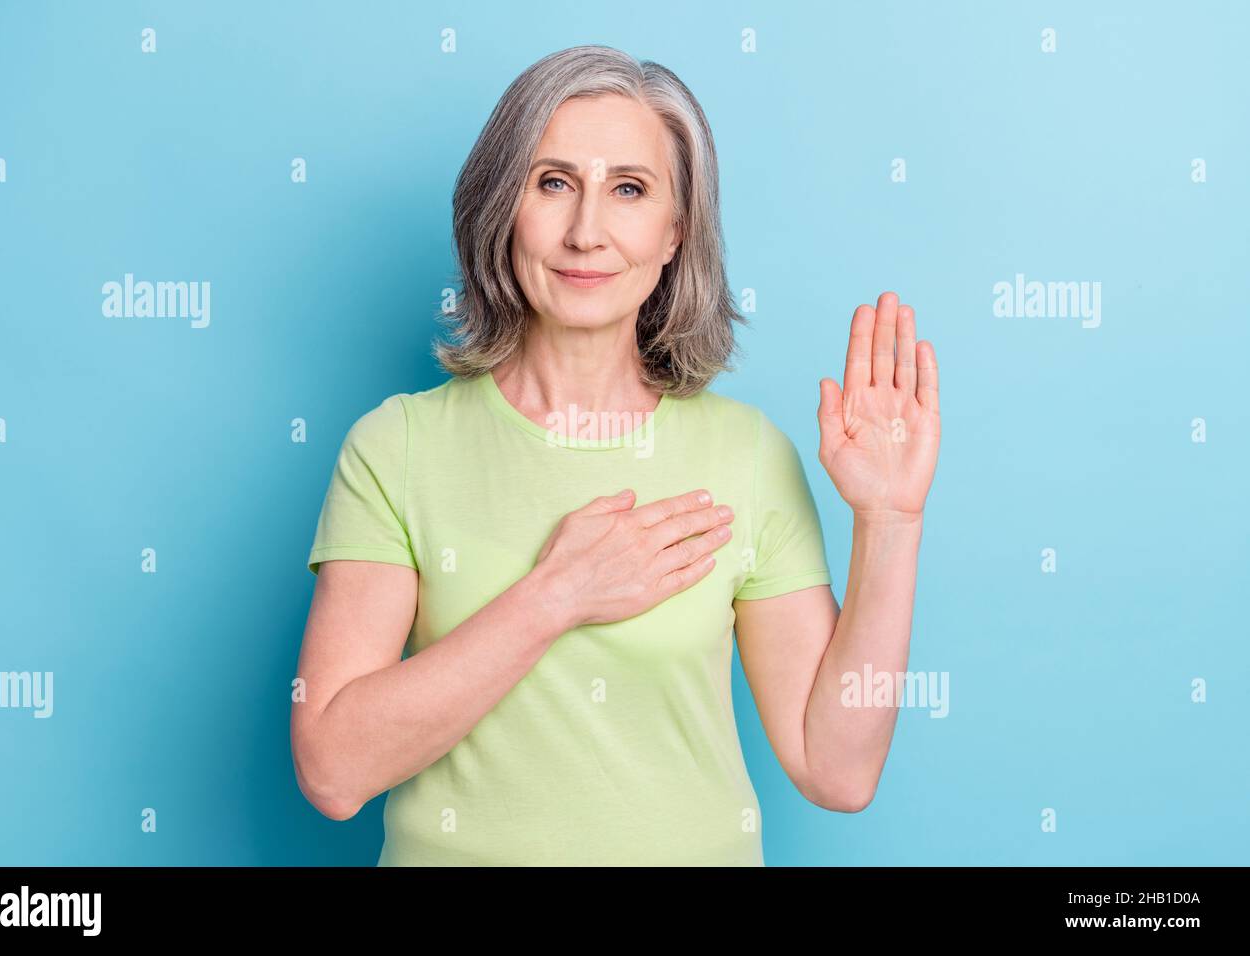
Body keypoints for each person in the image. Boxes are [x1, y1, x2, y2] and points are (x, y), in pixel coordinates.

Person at [290, 45, 940, 866]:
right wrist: (555, 596)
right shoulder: (397, 447)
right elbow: (333, 772)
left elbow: (837, 771)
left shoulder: (747, 456)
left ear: (674, 233)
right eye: (553, 182)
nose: (585, 231)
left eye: (628, 190)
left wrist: (890, 522)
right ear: (503, 208)